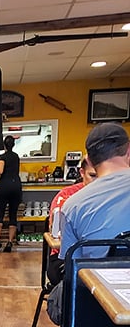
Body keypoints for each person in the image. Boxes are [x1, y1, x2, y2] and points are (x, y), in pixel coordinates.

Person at [59, 122, 130, 262]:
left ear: (89, 161)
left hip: (100, 282)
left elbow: (73, 267)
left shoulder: (72, 206)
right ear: (129, 150)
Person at [46, 156, 97, 286]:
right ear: (82, 173)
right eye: (93, 176)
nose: (98, 182)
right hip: (63, 258)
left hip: (100, 257)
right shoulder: (67, 196)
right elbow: (57, 232)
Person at [0, 134, 22, 253]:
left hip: (5, 185)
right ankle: (9, 242)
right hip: (16, 185)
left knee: (0, 213)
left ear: (4, 145)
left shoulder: (2, 156)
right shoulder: (16, 156)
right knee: (13, 214)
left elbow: (0, 171)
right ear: (13, 145)